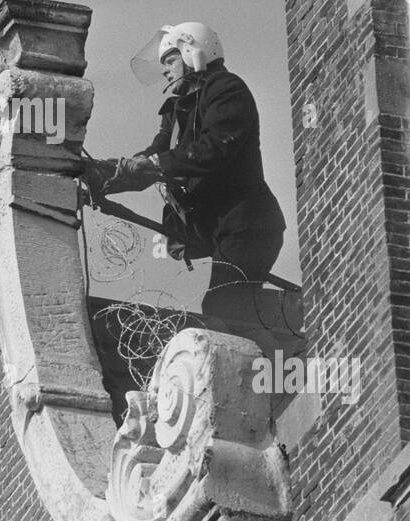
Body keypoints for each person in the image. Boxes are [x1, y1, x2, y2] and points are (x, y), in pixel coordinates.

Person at [85, 22, 286, 319]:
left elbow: (214, 148)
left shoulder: (226, 89)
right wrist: (103, 176)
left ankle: (272, 354)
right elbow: (155, 156)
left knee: (223, 307)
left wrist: (155, 164)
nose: (165, 70)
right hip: (221, 231)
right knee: (227, 307)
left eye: (170, 60)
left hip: (249, 227)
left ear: (194, 52)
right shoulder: (179, 109)